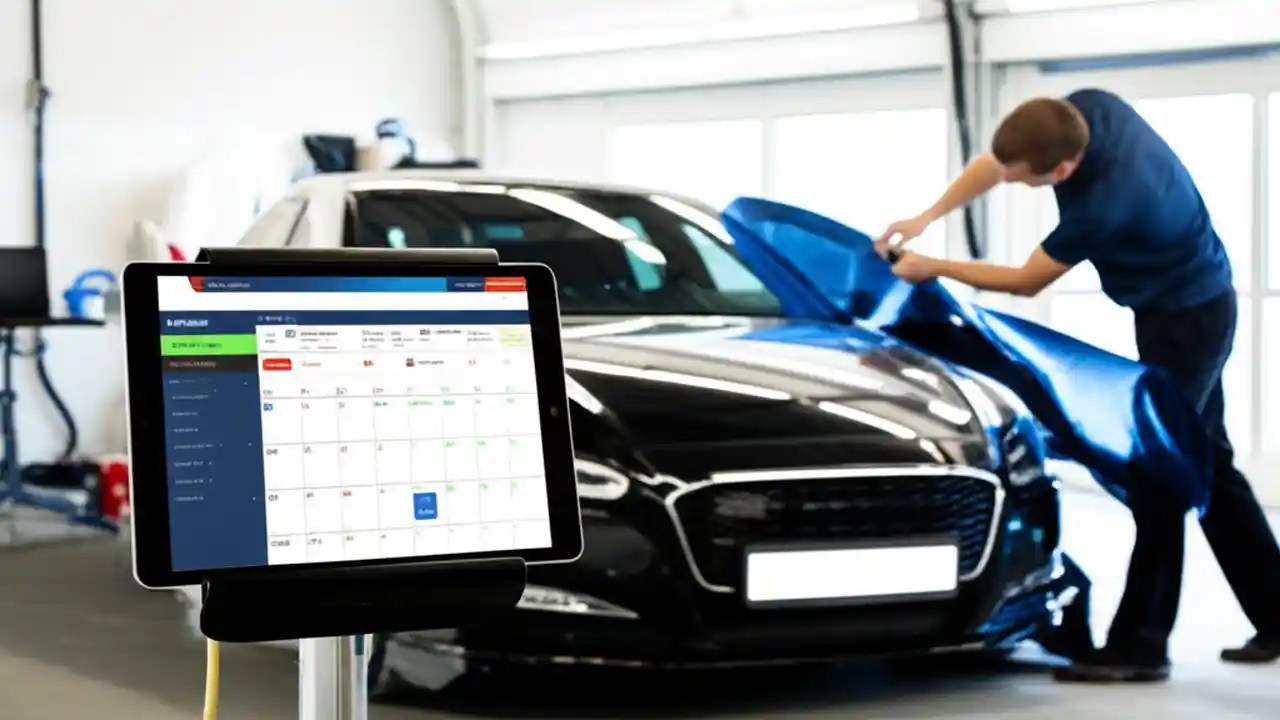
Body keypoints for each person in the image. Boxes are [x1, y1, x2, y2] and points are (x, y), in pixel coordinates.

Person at [877, 88, 1280, 683]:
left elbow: (1026, 281)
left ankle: (1141, 648)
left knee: (1159, 475)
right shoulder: (1084, 111)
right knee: (1210, 465)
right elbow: (998, 162)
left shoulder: (1108, 203)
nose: (1013, 183)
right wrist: (926, 218)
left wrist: (935, 266)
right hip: (1182, 303)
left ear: (1063, 171)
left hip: (1189, 321)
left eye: (1026, 181)